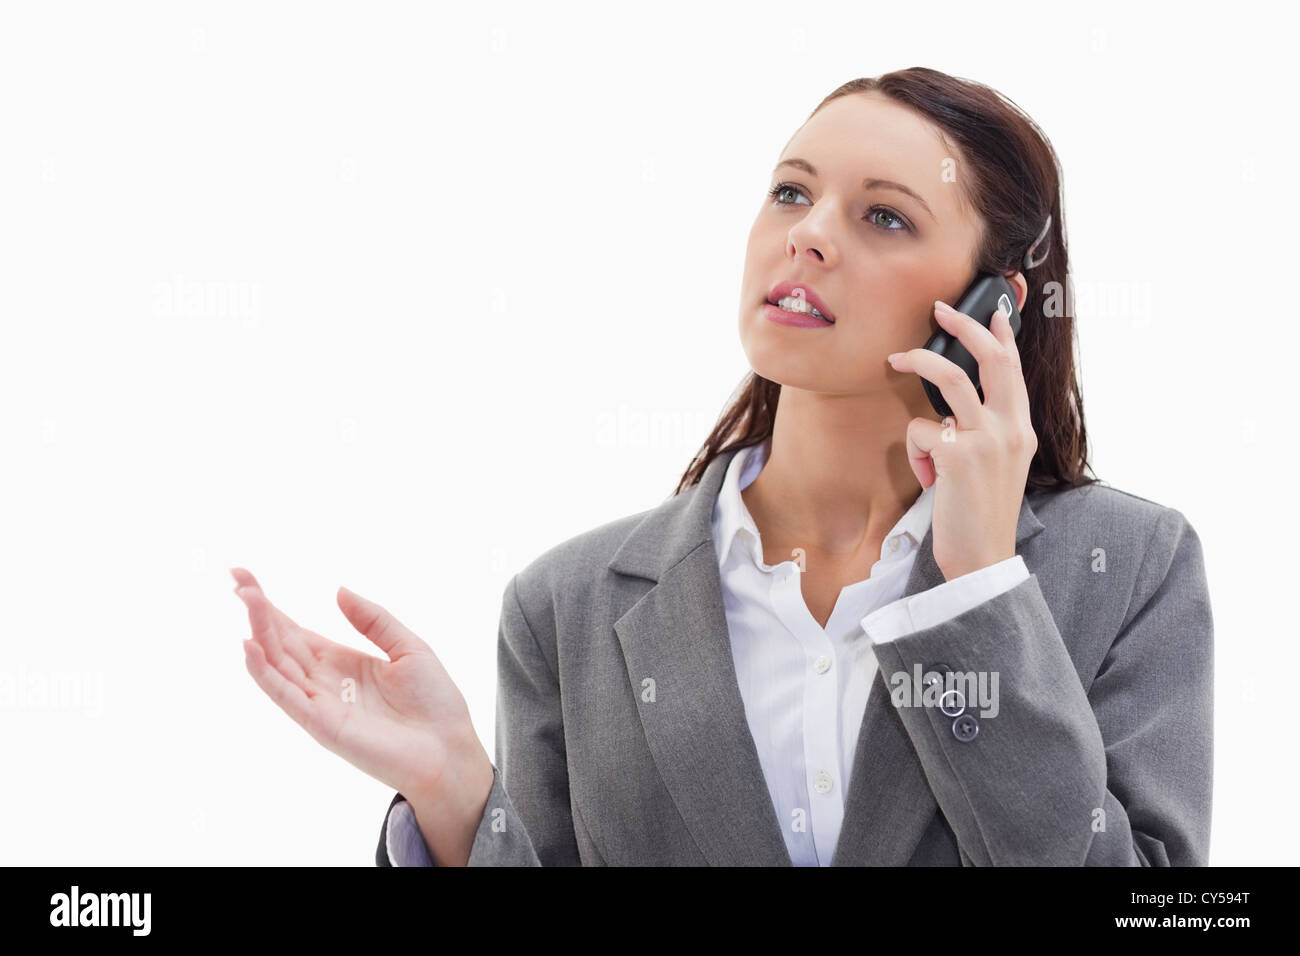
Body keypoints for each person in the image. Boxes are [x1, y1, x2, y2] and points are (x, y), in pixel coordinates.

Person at [235, 67, 1213, 867]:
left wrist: (978, 593)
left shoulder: (1129, 565)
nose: (809, 232)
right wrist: (457, 798)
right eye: (792, 190)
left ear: (992, 304)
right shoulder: (563, 606)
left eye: (883, 217)